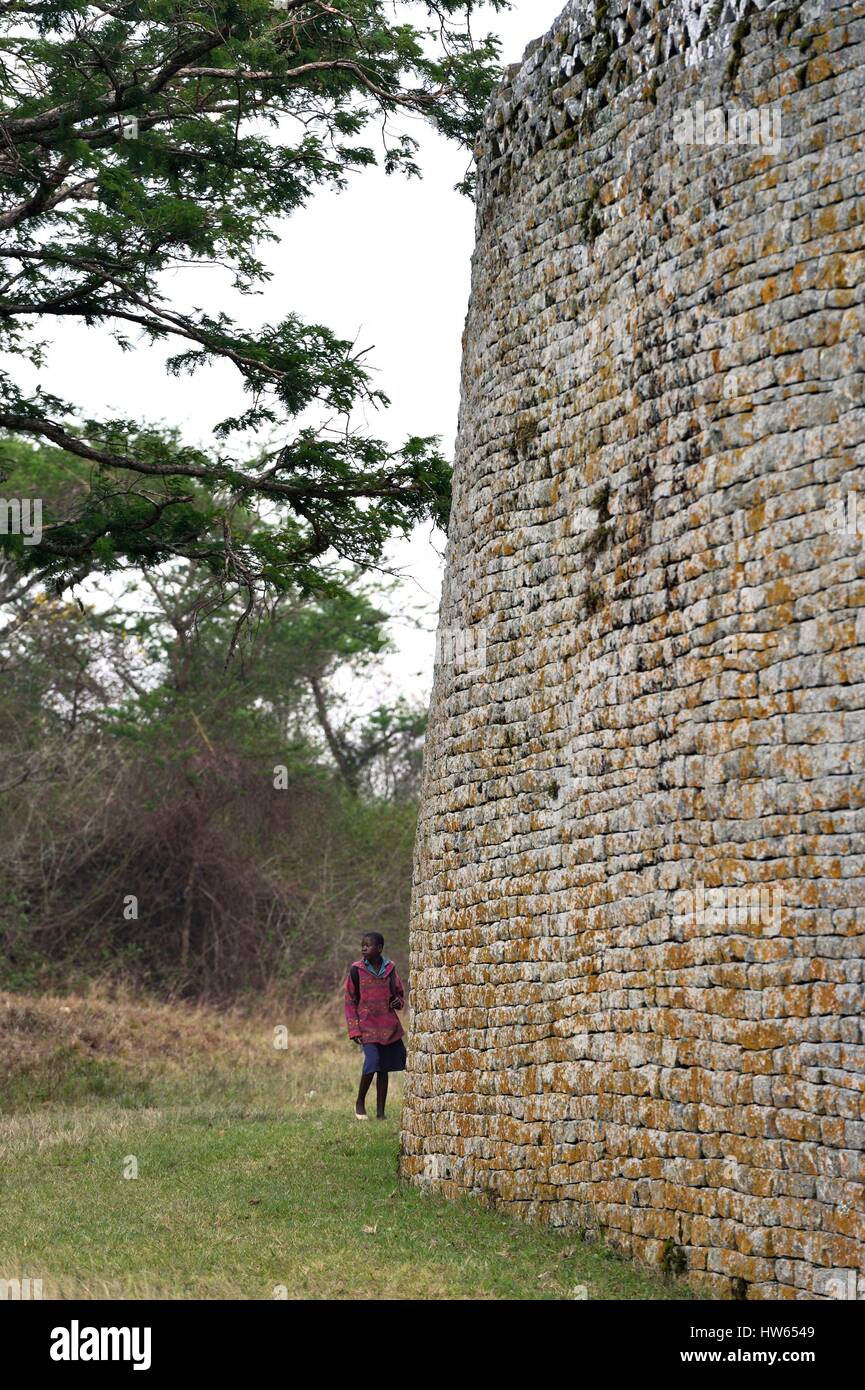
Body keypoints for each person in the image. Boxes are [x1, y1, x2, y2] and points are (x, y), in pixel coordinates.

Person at [344, 932, 406, 1119]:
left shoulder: (390, 969)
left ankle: (381, 1114)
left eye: (368, 945)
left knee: (384, 1068)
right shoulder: (356, 970)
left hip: (388, 1026)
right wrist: (354, 1029)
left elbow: (399, 993)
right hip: (367, 1026)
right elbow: (349, 1001)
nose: (363, 948)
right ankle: (360, 1102)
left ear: (379, 948)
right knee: (372, 1063)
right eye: (362, 945)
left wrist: (398, 1001)